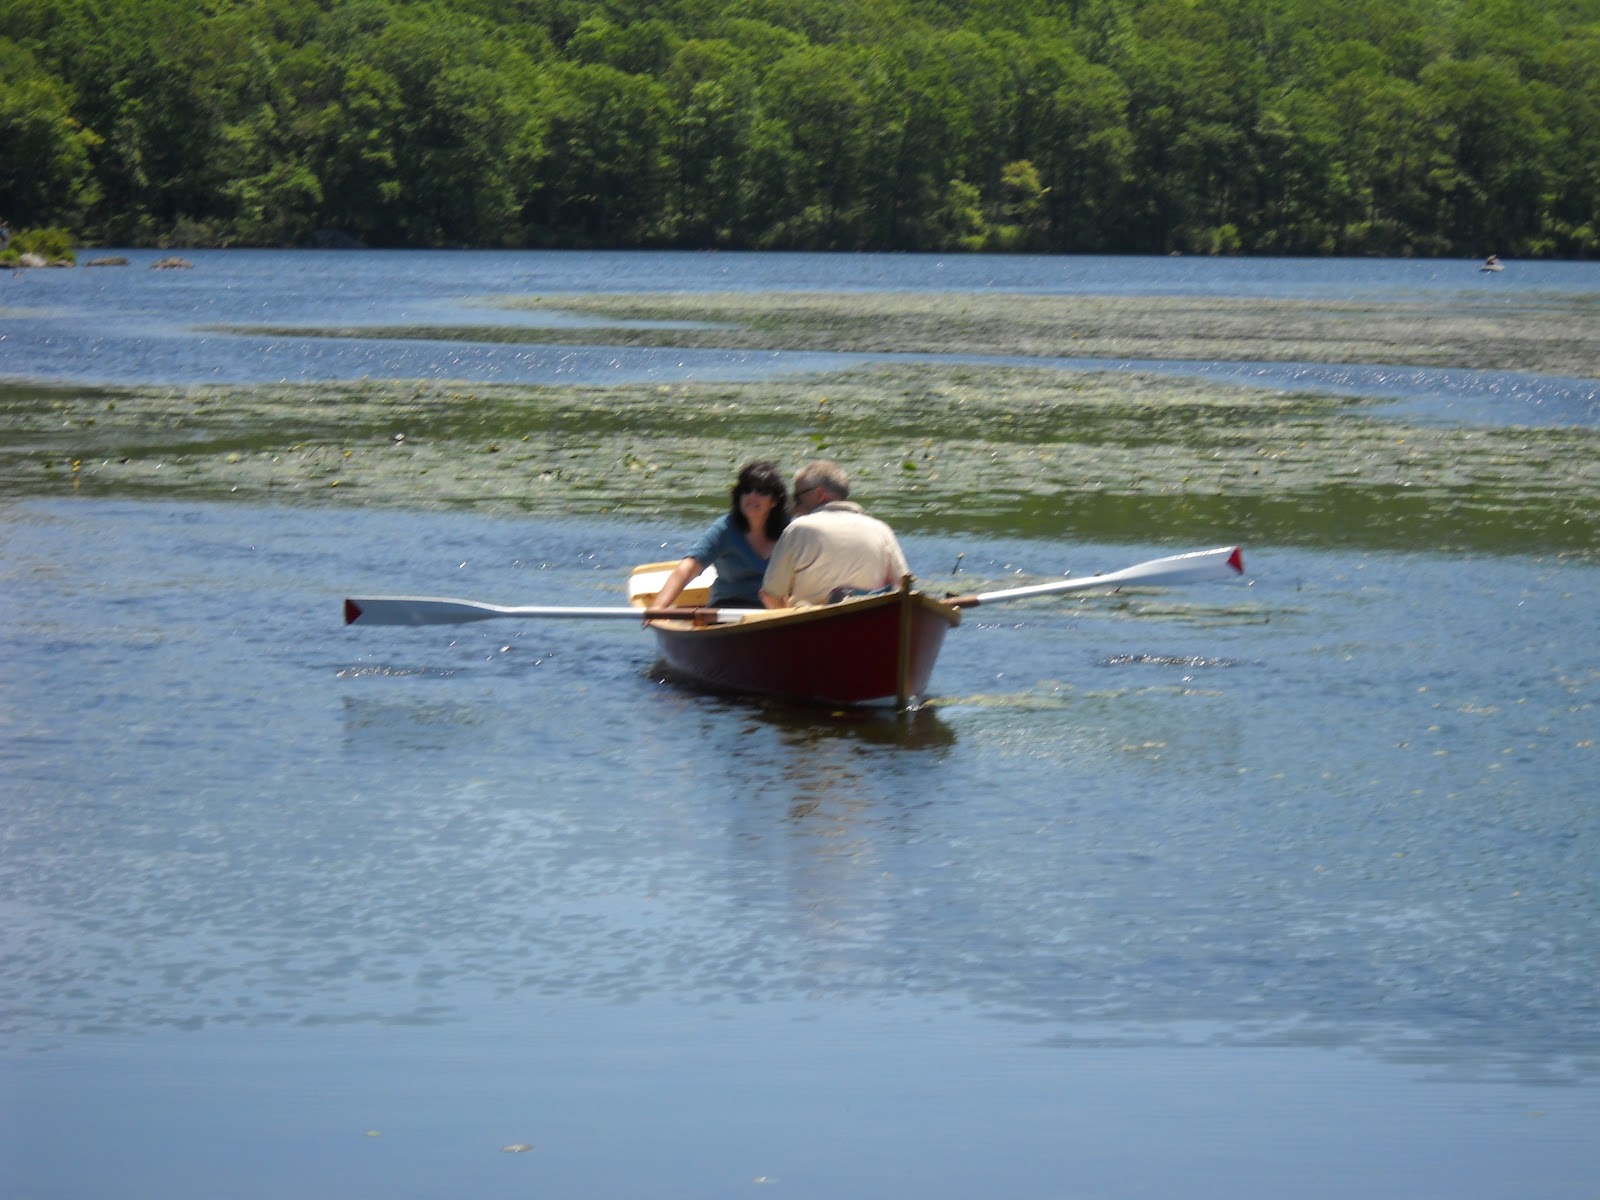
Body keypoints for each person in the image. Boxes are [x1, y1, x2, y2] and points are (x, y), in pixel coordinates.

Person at [760, 460, 909, 608]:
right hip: (871, 623)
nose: (795, 507)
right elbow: (902, 587)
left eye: (798, 498)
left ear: (819, 494)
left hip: (812, 626)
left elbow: (771, 595)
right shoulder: (881, 530)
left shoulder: (797, 530)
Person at [650, 460, 792, 610]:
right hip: (728, 608)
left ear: (774, 501)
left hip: (774, 610)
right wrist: (658, 608)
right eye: (747, 490)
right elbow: (688, 568)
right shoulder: (725, 528)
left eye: (761, 491)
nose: (752, 496)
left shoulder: (790, 530)